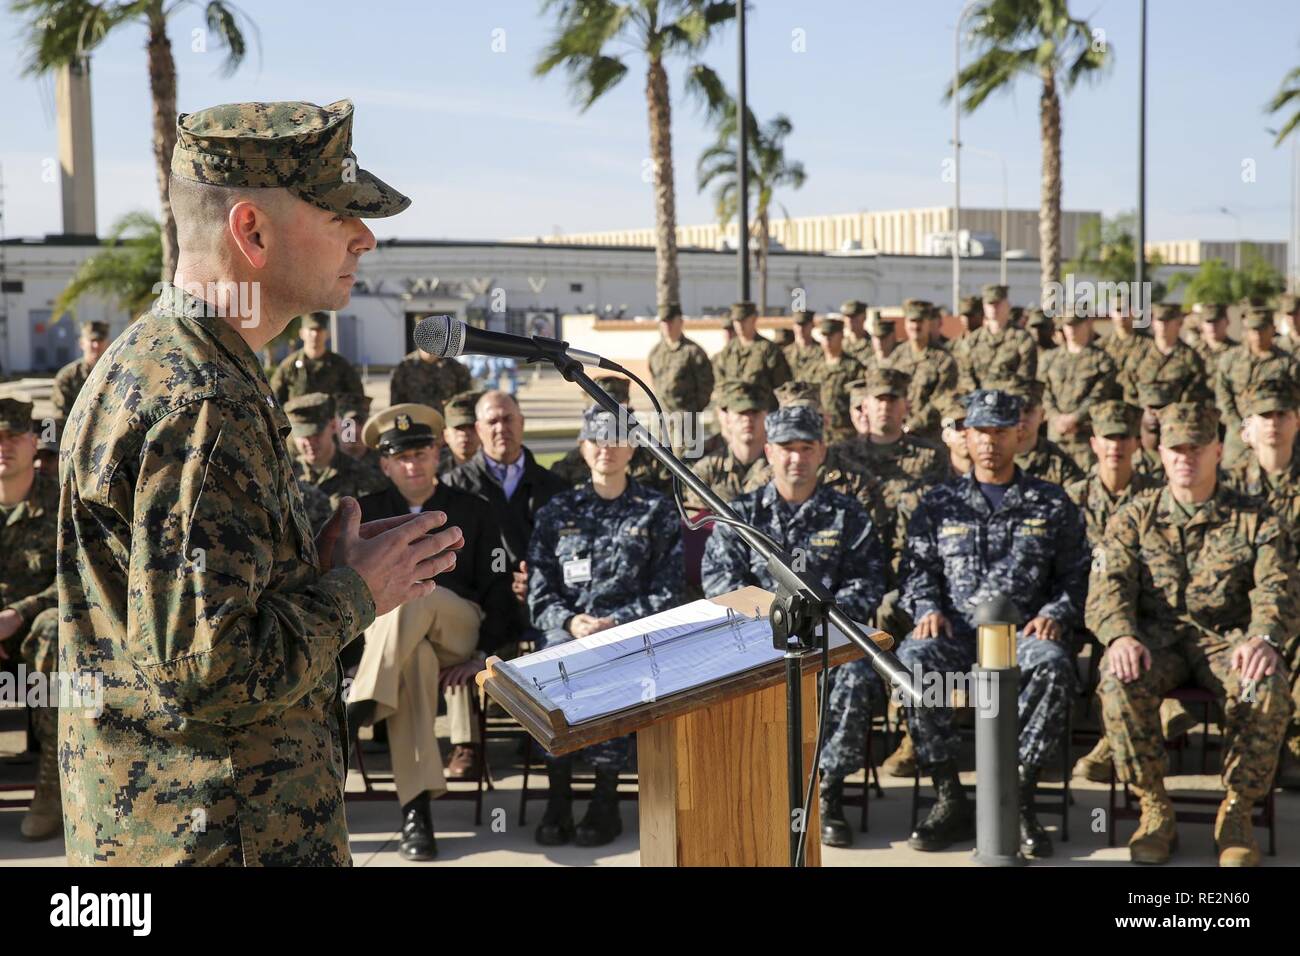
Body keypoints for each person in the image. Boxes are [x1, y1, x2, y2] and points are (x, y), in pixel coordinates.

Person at [57, 97, 464, 866]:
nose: (365, 238)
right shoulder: (202, 401)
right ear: (251, 231)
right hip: (221, 835)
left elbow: (189, 610)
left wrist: (318, 563)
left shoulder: (176, 359)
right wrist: (356, 594)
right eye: (341, 213)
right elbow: (208, 674)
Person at [1089, 402, 1295, 866]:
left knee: (1265, 681)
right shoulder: (1133, 517)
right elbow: (1107, 587)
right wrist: (1120, 635)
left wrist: (1264, 636)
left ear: (1217, 451)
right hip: (1154, 642)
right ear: (1160, 452)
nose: (1186, 457)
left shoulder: (1256, 518)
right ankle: (1154, 809)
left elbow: (1277, 586)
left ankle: (1237, 813)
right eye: (1175, 448)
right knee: (1115, 677)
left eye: (1196, 448)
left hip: (1227, 640)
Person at [898, 388, 1089, 858]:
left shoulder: (1051, 502)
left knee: (1051, 665)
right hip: (957, 634)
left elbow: (1076, 574)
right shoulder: (938, 503)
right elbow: (915, 569)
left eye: (1000, 432)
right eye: (980, 431)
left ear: (1019, 436)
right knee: (913, 662)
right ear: (965, 435)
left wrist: (1054, 613)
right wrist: (926, 608)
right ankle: (950, 795)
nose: (989, 442)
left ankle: (1015, 796)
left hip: (1021, 635)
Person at [700, 404, 888, 848]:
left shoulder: (847, 514)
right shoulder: (740, 517)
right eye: (786, 447)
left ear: (822, 451)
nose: (796, 458)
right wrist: (769, 621)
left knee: (856, 677)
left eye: (807, 448)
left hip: (830, 640)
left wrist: (823, 621)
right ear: (768, 451)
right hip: (756, 641)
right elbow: (719, 582)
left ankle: (828, 792)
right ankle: (752, 789)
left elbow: (869, 578)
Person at [349, 404, 515, 860]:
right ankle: (416, 814)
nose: (412, 464)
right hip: (400, 645)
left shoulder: (472, 509)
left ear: (436, 456)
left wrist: (483, 653)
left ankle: (358, 708)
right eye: (400, 457)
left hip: (458, 630)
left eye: (421, 453)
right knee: (412, 666)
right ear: (384, 463)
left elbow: (500, 588)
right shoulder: (366, 514)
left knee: (415, 594)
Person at [529, 405, 685, 847]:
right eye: (596, 439)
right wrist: (568, 620)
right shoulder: (557, 511)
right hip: (568, 630)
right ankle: (558, 795)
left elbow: (669, 593)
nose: (606, 448)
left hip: (631, 630)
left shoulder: (656, 511)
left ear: (633, 447)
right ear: (582, 447)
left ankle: (605, 798)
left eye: (617, 438)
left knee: (614, 663)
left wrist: (617, 622)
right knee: (553, 663)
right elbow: (538, 588)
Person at [1222, 378, 1300, 788]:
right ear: (1247, 429)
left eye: (1281, 414)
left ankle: (1290, 746)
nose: (1273, 423)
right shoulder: (1227, 485)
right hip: (1242, 602)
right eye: (1264, 415)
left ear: (1296, 420)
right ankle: (1246, 744)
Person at [442, 390, 569, 638]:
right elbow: (449, 563)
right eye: (492, 422)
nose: (501, 428)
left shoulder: (554, 487)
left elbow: (569, 553)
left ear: (522, 423)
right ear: (478, 429)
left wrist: (538, 579)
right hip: (478, 613)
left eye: (508, 419)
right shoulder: (453, 487)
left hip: (544, 609)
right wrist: (497, 582)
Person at [0, 396, 61, 840]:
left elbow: (80, 578)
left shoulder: (62, 506)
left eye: (14, 436)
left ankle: (51, 785)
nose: (4, 446)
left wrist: (18, 615)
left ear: (35, 442)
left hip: (34, 640)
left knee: (58, 629)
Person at [1215, 305, 1300, 467]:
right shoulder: (1231, 359)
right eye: (1252, 330)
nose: (1257, 335)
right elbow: (1223, 396)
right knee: (1233, 473)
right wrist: (1239, 426)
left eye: (1262, 329)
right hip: (1239, 431)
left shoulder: (1287, 362)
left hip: (1276, 429)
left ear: (1272, 329)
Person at [1041, 307, 1120, 471]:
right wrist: (1056, 417)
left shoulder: (1102, 360)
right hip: (1056, 434)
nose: (1072, 330)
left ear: (1087, 323)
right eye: (1068, 325)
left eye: (1077, 324)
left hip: (1084, 437)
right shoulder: (1050, 358)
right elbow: (1043, 391)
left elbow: (1099, 394)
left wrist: (1075, 418)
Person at [287, 392, 388, 508]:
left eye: (316, 434)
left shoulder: (363, 476)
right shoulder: (286, 474)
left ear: (333, 426)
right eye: (303, 436)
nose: (310, 443)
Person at [885, 298, 959, 441]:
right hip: (898, 433)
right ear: (905, 324)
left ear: (928, 324)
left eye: (920, 321)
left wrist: (914, 424)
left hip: (930, 435)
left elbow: (942, 399)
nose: (916, 326)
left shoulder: (943, 359)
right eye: (912, 321)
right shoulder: (897, 356)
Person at [687, 381, 770, 507]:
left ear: (767, 416)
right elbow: (697, 519)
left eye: (755, 412)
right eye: (741, 413)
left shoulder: (779, 465)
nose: (748, 419)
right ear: (728, 419)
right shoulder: (708, 469)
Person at [648, 303, 714, 446]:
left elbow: (706, 385)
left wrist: (691, 411)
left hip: (685, 422)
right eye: (664, 322)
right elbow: (655, 382)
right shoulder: (656, 353)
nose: (667, 326)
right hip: (662, 420)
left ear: (681, 322)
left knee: (684, 463)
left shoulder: (693, 352)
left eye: (671, 321)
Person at [270, 310, 365, 405]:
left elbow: (358, 398)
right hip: (296, 419)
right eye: (311, 330)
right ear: (302, 333)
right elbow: (273, 399)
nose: (315, 334)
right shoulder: (288, 366)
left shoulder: (340, 365)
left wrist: (347, 416)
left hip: (331, 419)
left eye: (319, 330)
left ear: (327, 334)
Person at [711, 300, 792, 410]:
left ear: (753, 319)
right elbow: (720, 384)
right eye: (736, 321)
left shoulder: (768, 349)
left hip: (761, 414)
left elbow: (782, 386)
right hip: (734, 413)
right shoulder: (728, 351)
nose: (740, 325)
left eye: (744, 320)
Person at [956, 284, 1037, 393]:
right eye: (990, 304)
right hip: (979, 403)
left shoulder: (1022, 339)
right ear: (984, 307)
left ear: (1007, 305)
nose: (994, 308)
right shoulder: (972, 341)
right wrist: (978, 396)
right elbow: (965, 374)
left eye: (998, 304)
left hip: (1012, 401)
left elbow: (1025, 376)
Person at [1006, 377, 1087, 486]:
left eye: (1027, 411)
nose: (1021, 417)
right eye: (1014, 411)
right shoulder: (993, 454)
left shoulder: (1059, 460)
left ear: (1042, 415)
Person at [1131, 303, 1212, 405]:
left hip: (1175, 415)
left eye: (1168, 320)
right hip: (1142, 413)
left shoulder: (1189, 356)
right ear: (1153, 322)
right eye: (1160, 320)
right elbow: (1129, 385)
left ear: (1179, 323)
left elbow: (1197, 391)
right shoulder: (1140, 352)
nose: (1164, 325)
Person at [804, 316, 866, 443]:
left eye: (832, 335)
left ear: (841, 335)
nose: (827, 339)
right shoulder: (812, 368)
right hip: (817, 435)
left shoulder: (853, 368)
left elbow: (862, 402)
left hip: (845, 435)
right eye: (824, 336)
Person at [389, 331, 474, 412]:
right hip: (415, 422)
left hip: (446, 423)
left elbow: (466, 401)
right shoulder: (404, 368)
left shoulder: (456, 368)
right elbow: (396, 407)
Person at [51, 320, 110, 425]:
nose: (96, 345)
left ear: (108, 343)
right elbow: (61, 416)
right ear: (82, 343)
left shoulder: (118, 372)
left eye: (100, 340)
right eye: (92, 340)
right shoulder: (67, 376)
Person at [1100, 301, 1153, 406]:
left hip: (1138, 406)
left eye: (1126, 311)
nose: (1122, 315)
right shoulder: (1101, 346)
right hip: (1108, 408)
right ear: (1111, 314)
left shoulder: (1149, 345)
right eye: (1118, 311)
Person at [335, 392, 384, 485]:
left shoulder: (384, 463)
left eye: (360, 422)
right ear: (334, 425)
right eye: (348, 424)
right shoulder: (326, 463)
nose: (354, 430)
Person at [440, 389, 483, 473]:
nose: (465, 433)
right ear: (446, 435)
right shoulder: (434, 473)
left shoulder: (500, 471)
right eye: (458, 427)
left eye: (472, 427)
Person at [1192, 302, 1237, 380]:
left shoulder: (1238, 351)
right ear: (1201, 324)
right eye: (1208, 322)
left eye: (1217, 321)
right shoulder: (1194, 351)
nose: (1212, 326)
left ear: (1227, 321)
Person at [784, 309, 822, 379]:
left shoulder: (822, 351)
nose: (801, 329)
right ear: (793, 326)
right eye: (798, 325)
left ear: (812, 325)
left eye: (804, 325)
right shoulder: (786, 353)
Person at [840, 299, 873, 363]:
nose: (850, 320)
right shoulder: (840, 344)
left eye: (854, 316)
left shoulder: (874, 344)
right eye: (847, 316)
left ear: (864, 316)